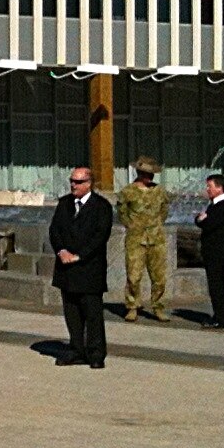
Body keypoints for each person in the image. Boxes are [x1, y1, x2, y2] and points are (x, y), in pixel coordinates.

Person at [49, 166, 113, 368]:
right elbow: (54, 230)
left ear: (89, 183)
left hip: (89, 269)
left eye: (78, 182)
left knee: (92, 314)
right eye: (72, 181)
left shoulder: (101, 206)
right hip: (66, 269)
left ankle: (95, 354)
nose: (73, 185)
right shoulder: (64, 204)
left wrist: (79, 256)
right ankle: (76, 349)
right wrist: (61, 251)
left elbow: (100, 236)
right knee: (72, 313)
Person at [116, 156, 171, 322]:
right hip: (136, 239)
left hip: (156, 238)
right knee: (133, 276)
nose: (149, 177)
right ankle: (132, 306)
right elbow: (122, 212)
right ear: (139, 173)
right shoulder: (128, 191)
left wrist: (157, 224)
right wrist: (132, 225)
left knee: (159, 277)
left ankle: (158, 306)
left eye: (151, 174)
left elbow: (164, 210)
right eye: (146, 174)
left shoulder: (159, 191)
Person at [193, 174, 224, 329]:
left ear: (219, 188)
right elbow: (200, 220)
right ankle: (219, 316)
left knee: (217, 285)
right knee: (215, 284)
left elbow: (207, 223)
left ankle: (220, 319)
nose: (207, 189)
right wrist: (201, 219)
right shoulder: (215, 205)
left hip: (218, 252)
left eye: (210, 186)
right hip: (212, 252)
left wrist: (202, 219)